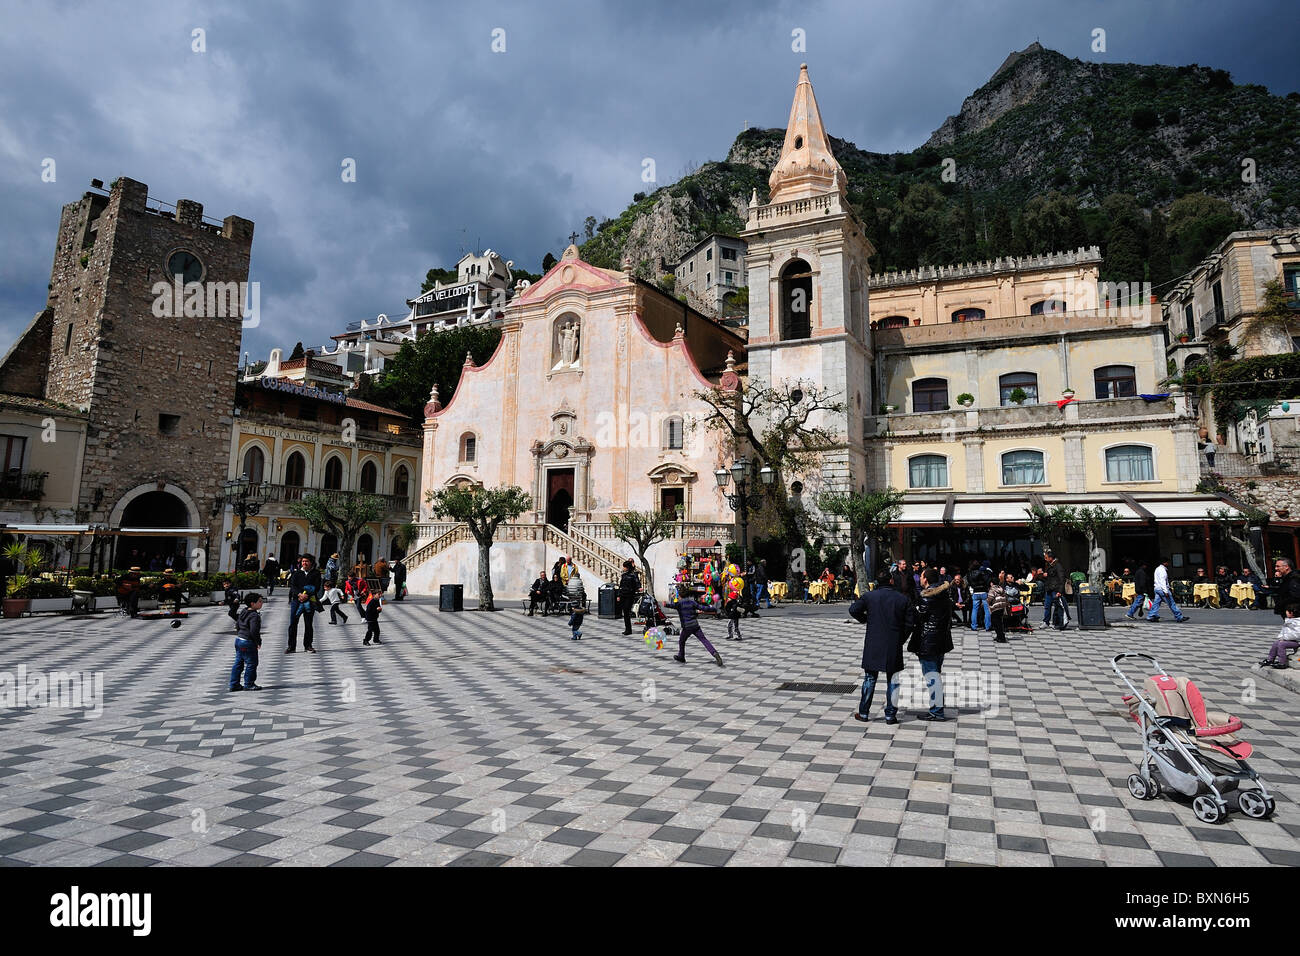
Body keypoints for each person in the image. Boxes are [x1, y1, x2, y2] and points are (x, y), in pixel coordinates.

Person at [849, 569, 915, 724]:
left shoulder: (869, 596)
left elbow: (853, 609)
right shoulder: (902, 599)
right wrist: (901, 638)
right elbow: (910, 623)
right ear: (891, 581)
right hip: (893, 642)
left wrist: (865, 619)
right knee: (893, 680)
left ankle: (864, 712)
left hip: (874, 642)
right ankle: (890, 715)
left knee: (870, 678)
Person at [908, 568, 954, 721]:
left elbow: (919, 618)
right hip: (941, 640)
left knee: (932, 677)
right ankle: (937, 708)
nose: (920, 579)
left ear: (926, 580)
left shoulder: (927, 597)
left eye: (921, 576)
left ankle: (937, 711)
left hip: (928, 641)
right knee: (935, 675)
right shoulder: (944, 595)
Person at [666, 587, 724, 667]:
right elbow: (702, 608)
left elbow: (672, 605)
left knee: (682, 641)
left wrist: (666, 604)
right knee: (704, 640)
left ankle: (681, 656)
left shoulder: (679, 603)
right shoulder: (692, 602)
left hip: (687, 627)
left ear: (679, 595)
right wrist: (713, 609)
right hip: (695, 625)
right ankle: (714, 653)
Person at [286, 554, 323, 652]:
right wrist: (299, 594)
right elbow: (293, 586)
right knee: (293, 623)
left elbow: (317, 586)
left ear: (311, 562)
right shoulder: (297, 573)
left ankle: (308, 645)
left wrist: (306, 595)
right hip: (297, 601)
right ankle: (291, 646)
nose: (304, 563)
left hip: (309, 601)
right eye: (303, 561)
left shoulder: (316, 573)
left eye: (306, 561)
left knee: (308, 624)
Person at [229, 593, 264, 692]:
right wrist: (258, 641)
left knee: (238, 663)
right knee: (252, 663)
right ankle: (249, 684)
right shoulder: (254, 616)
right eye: (260, 601)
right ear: (253, 604)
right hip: (248, 642)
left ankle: (234, 684)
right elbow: (254, 631)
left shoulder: (244, 611)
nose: (261, 603)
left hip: (239, 640)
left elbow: (238, 624)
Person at [1146, 558, 1189, 623]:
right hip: (1162, 589)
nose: (1168, 564)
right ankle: (1179, 616)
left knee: (1156, 603)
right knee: (1171, 603)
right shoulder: (1162, 570)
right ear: (1164, 563)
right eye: (1167, 562)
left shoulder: (1157, 569)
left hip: (1157, 588)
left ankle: (1151, 615)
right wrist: (1165, 591)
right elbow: (1162, 581)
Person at [1261, 604, 1300, 669]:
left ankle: (1282, 662)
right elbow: (1284, 631)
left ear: (1292, 613)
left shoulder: (1297, 622)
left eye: (1287, 611)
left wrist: (1285, 639)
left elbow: (1297, 634)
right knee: (1276, 643)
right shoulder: (1289, 620)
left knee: (1281, 644)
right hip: (1290, 640)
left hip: (1297, 642)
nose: (1285, 612)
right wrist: (1281, 637)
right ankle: (1270, 660)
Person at [1042, 552, 1069, 630]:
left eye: (1046, 557)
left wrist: (1060, 591)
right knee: (1047, 606)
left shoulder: (1058, 566)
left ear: (1051, 558)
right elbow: (1049, 577)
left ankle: (1056, 623)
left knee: (1057, 607)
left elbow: (1061, 579)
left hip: (1055, 589)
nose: (1045, 559)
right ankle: (1046, 622)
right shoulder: (1049, 565)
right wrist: (1044, 575)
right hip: (1049, 589)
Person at [1272, 557, 1300, 621]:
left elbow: (1296, 596)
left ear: (1286, 567)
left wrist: (1291, 609)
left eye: (1278, 566)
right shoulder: (1286, 578)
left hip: (1294, 614)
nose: (1276, 569)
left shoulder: (1294, 579)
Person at [968, 559, 992, 633]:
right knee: (987, 610)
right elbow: (987, 580)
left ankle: (974, 626)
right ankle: (987, 626)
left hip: (975, 592)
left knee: (974, 610)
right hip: (984, 591)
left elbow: (969, 582)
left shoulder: (970, 573)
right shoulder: (983, 572)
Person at [618, 559, 640, 635]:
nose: (623, 568)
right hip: (623, 595)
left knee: (627, 611)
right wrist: (619, 595)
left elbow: (637, 583)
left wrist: (639, 588)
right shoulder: (623, 575)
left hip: (630, 595)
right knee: (625, 612)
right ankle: (627, 629)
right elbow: (621, 586)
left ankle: (628, 629)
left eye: (624, 567)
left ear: (627, 567)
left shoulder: (633, 575)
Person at [988, 571, 1009, 643]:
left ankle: (1001, 637)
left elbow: (990, 598)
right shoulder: (1001, 588)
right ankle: (999, 636)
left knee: (996, 623)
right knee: (999, 622)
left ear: (991, 583)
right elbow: (1005, 597)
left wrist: (986, 602)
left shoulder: (992, 589)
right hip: (1002, 607)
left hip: (996, 607)